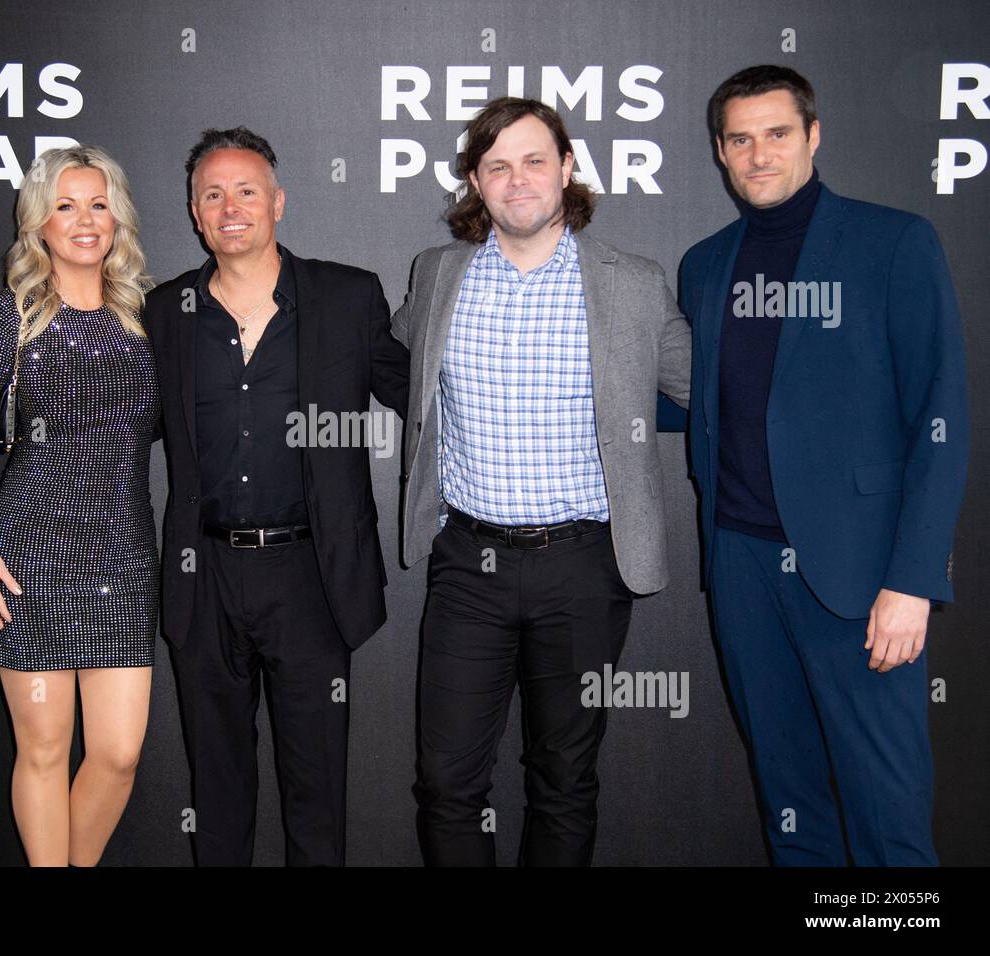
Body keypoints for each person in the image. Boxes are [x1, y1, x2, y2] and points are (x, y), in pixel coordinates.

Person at [392, 97, 691, 866]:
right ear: (474, 182)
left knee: (564, 779)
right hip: (469, 566)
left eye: (533, 160)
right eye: (496, 165)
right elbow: (395, 370)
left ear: (565, 168)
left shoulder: (634, 282)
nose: (516, 179)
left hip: (586, 568)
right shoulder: (436, 276)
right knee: (448, 783)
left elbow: (704, 392)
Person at [680, 65, 968, 865]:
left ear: (813, 135)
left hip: (860, 574)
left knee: (887, 808)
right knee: (791, 801)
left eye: (777, 133)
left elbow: (941, 416)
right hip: (741, 566)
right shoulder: (706, 264)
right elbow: (705, 398)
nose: (759, 154)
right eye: (741, 139)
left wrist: (913, 579)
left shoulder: (893, 242)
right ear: (720, 152)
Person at [143, 126, 409, 866]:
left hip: (313, 577)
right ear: (195, 213)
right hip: (205, 578)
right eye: (213, 194)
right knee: (217, 788)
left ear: (279, 202)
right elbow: (119, 424)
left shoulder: (347, 297)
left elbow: (425, 395)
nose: (231, 207)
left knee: (316, 789)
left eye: (247, 190)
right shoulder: (166, 312)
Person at [0, 145, 158, 867]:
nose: (84, 220)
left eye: (98, 204)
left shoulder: (145, 322)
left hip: (124, 562)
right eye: (65, 206)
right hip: (28, 561)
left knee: (119, 755)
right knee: (41, 752)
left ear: (117, 217)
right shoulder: (12, 319)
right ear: (39, 223)